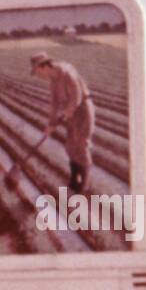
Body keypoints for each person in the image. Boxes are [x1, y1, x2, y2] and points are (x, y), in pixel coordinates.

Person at [30, 51, 96, 193]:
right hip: (71, 113)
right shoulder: (53, 80)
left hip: (83, 110)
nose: (38, 75)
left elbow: (76, 97)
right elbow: (54, 104)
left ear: (44, 66)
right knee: (70, 146)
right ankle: (74, 179)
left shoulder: (67, 72)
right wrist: (50, 124)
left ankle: (85, 183)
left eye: (37, 71)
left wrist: (66, 114)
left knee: (81, 144)